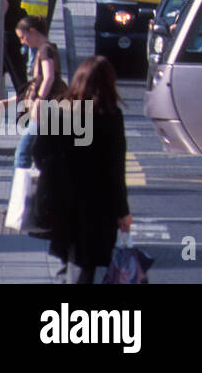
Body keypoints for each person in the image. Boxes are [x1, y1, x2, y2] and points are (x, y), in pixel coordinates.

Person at [33, 56, 133, 284]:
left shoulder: (58, 110)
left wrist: (53, 177)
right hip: (96, 204)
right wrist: (122, 211)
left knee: (67, 255)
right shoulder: (110, 117)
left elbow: (39, 152)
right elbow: (115, 169)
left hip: (59, 200)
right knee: (86, 261)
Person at [9, 15, 63, 171]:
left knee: (23, 154)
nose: (22, 42)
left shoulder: (45, 50)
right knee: (40, 153)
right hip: (49, 108)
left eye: (23, 37)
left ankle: (22, 192)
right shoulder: (47, 48)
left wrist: (39, 100)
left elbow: (49, 77)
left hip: (44, 109)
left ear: (32, 31)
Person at [1, 0, 28, 98]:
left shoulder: (5, 15)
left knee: (19, 82)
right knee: (20, 79)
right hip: (13, 47)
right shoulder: (22, 13)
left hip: (8, 46)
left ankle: (24, 109)